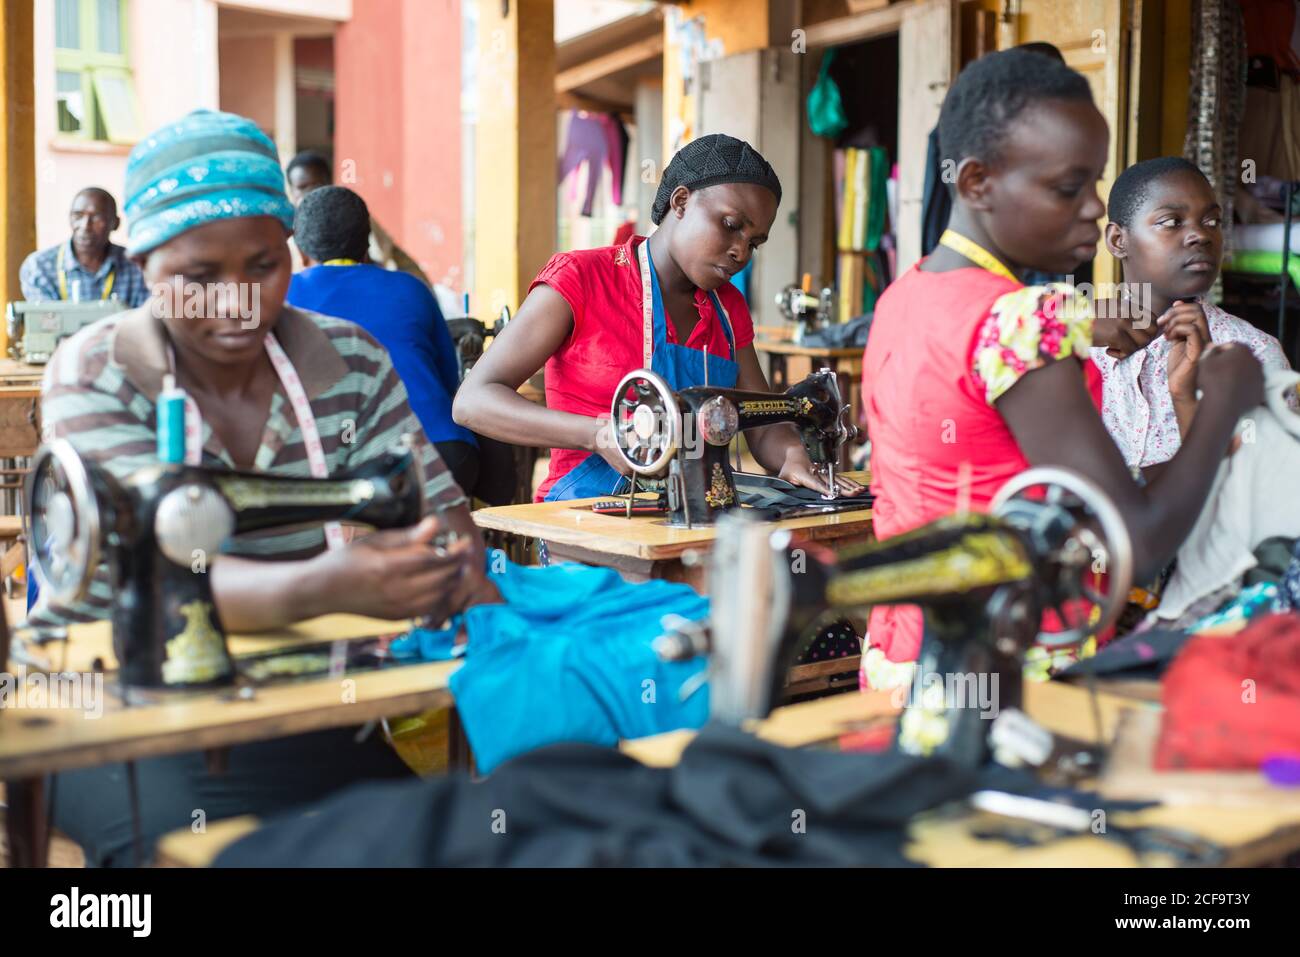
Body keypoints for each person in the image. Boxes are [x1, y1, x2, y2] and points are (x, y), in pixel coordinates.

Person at [33, 109, 489, 866]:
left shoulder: (351, 359)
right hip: (110, 712)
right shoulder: (95, 372)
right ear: (141, 263)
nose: (237, 301)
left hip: (303, 698)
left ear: (292, 250)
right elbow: (145, 591)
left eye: (262, 264)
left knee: (449, 842)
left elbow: (446, 528)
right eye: (198, 277)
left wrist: (434, 563)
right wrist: (326, 585)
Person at [860, 50, 1263, 687]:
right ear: (975, 184)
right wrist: (1221, 403)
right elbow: (1137, 541)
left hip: (907, 652)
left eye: (1095, 183)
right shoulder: (1020, 325)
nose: (1093, 209)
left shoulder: (904, 296)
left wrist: (1074, 313)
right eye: (1068, 187)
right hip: (1016, 665)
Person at [453, 133, 866, 504]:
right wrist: (598, 435)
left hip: (689, 514)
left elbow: (761, 423)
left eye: (754, 242)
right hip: (582, 520)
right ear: (681, 201)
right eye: (730, 226)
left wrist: (795, 457)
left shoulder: (727, 308)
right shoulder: (582, 278)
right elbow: (473, 401)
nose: (740, 251)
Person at [1091, 156, 1292, 480]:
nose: (1201, 235)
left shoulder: (1252, 351)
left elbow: (1269, 485)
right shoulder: (1076, 338)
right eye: (1172, 222)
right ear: (1118, 241)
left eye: (1211, 221)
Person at [287, 185, 481, 494]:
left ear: (299, 250)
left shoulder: (285, 295)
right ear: (367, 245)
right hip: (445, 452)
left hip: (352, 460)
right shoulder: (411, 288)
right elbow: (450, 381)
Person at [284, 150, 430, 285]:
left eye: (317, 184)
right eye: (302, 187)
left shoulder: (352, 217)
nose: (311, 192)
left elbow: (382, 260)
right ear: (291, 191)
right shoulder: (283, 230)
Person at [19, 188, 148, 306]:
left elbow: (149, 323)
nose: (85, 226)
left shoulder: (137, 265)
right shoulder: (39, 267)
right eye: (78, 216)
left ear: (115, 223)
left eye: (97, 217)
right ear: (69, 218)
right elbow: (45, 325)